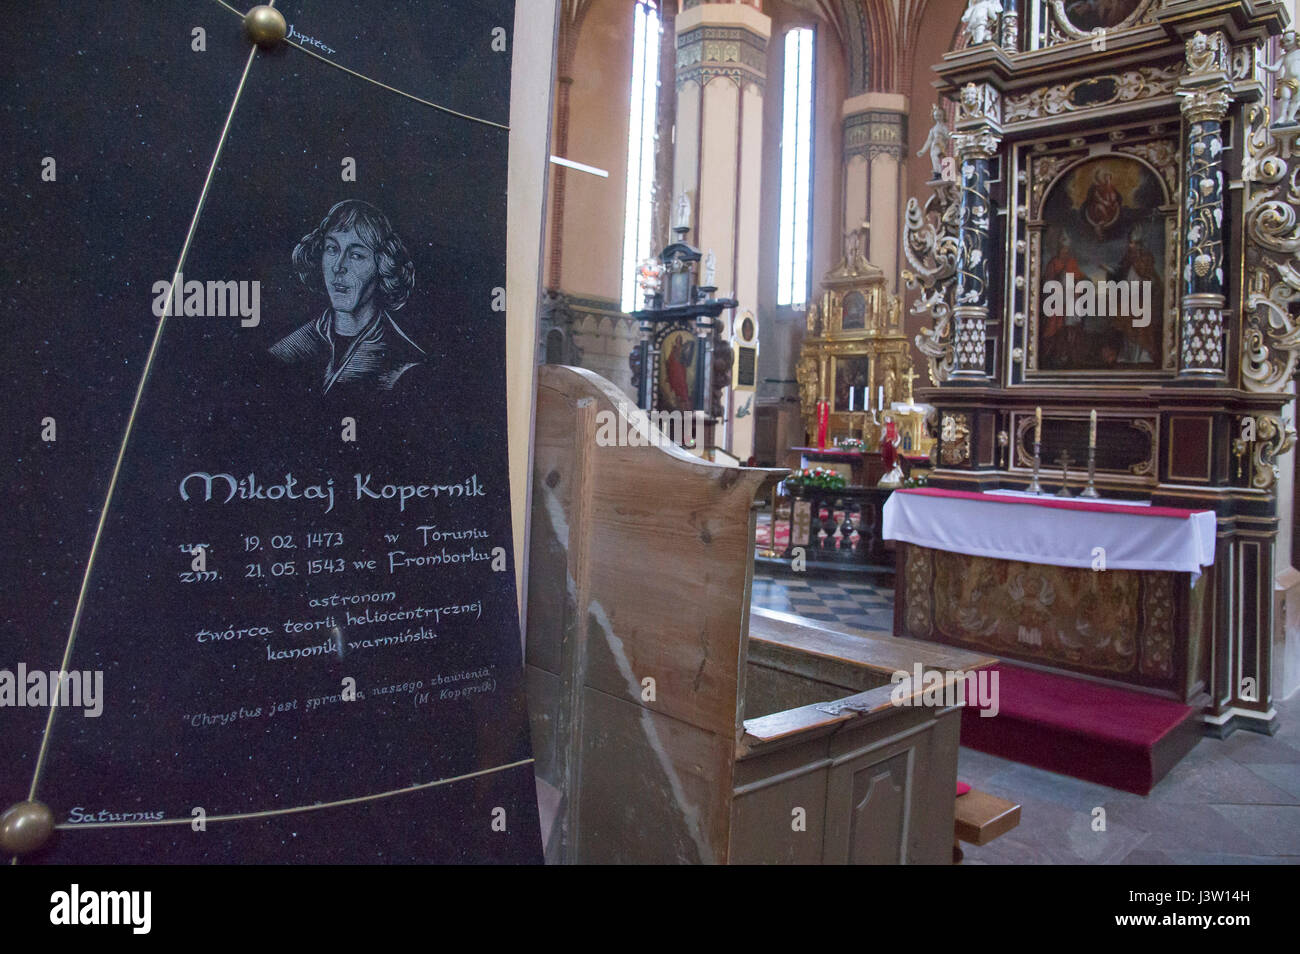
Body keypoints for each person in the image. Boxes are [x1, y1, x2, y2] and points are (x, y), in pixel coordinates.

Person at [270, 199, 425, 395]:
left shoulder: (405, 365)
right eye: (332, 249)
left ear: (382, 266)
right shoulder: (287, 352)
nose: (338, 266)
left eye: (356, 255)